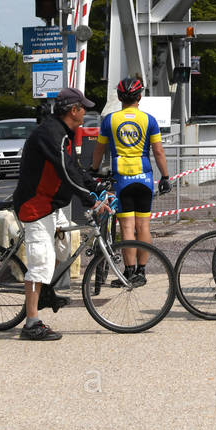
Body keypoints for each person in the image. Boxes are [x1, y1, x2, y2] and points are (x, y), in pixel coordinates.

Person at [13, 86, 102, 341]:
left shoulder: (65, 133)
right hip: (35, 206)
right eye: (83, 108)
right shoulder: (50, 134)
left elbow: (75, 169)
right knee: (40, 263)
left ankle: (44, 290)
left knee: (63, 251)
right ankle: (31, 324)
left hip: (51, 204)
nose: (85, 112)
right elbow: (65, 172)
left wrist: (96, 187)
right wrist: (89, 200)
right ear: (73, 111)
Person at [90, 76, 171, 287]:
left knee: (127, 226)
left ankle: (128, 272)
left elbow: (99, 149)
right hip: (144, 178)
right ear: (140, 97)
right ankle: (142, 273)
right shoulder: (149, 120)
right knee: (143, 225)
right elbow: (158, 151)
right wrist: (165, 176)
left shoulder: (110, 120)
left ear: (119, 97)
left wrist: (93, 169)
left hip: (122, 179)